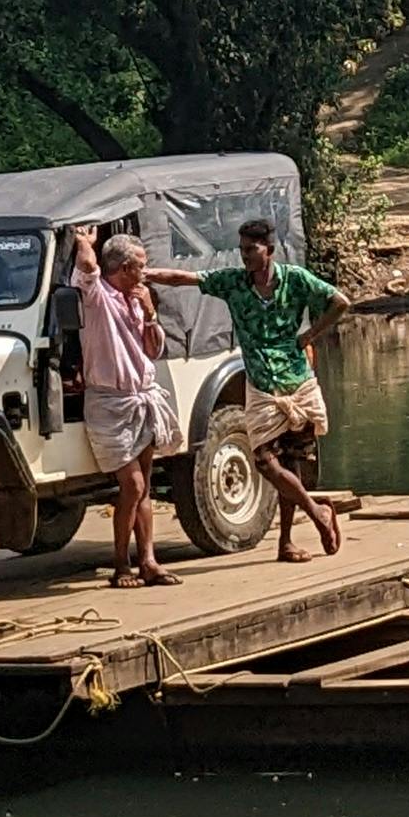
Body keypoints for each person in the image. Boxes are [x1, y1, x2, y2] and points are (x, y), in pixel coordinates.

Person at [158, 215, 343, 561]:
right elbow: (185, 278)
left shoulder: (296, 279)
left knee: (293, 460)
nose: (243, 256)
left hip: (296, 381)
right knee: (265, 463)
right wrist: (144, 274)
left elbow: (340, 302)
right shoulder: (234, 284)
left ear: (269, 250)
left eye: (250, 249)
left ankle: (286, 541)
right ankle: (317, 511)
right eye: (241, 249)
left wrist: (310, 335)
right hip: (261, 386)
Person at [71, 226, 174, 589]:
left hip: (141, 397)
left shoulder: (135, 300)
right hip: (109, 403)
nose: (145, 273)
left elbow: (152, 349)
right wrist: (85, 243)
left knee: (143, 486)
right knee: (130, 485)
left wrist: (149, 313)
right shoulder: (97, 298)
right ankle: (121, 564)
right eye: (140, 266)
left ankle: (148, 559)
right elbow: (87, 269)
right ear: (125, 268)